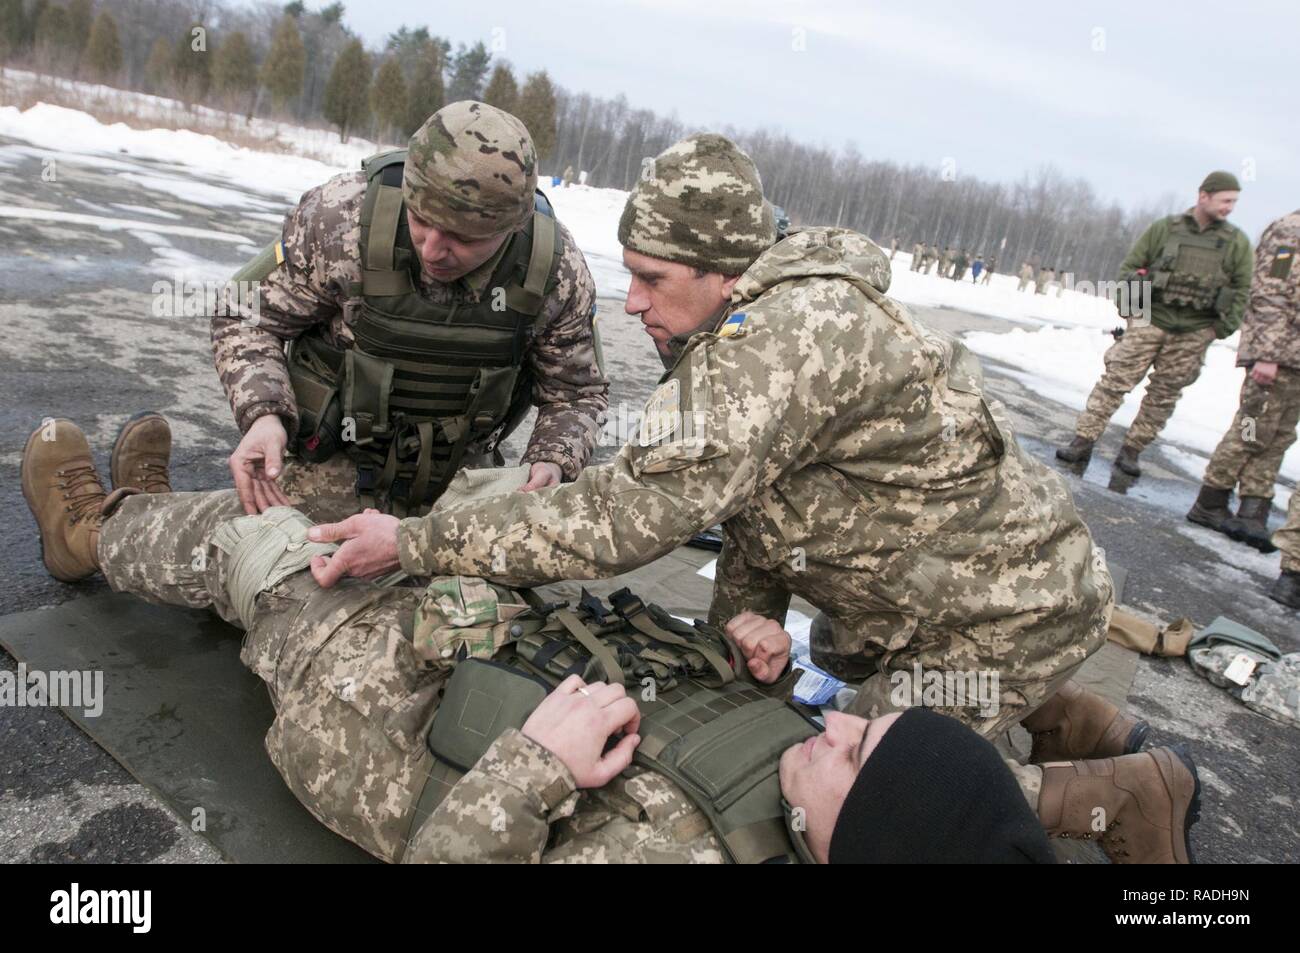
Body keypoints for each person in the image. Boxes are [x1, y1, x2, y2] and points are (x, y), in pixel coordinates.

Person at [280, 133, 1198, 862]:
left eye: (651, 279)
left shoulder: (770, 347)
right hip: (961, 589)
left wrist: (416, 544)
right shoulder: (761, 318)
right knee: (822, 717)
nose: (630, 302)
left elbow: (617, 519)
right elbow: (759, 503)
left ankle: (1125, 794)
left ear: (722, 272)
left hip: (1000, 608)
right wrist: (734, 639)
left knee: (872, 787)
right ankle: (1074, 718)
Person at [19, 418, 1201, 864]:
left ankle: (94, 529)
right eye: (849, 722)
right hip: (534, 643)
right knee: (446, 516)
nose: (833, 724)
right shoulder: (834, 807)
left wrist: (533, 768)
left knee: (271, 555)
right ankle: (154, 515)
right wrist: (764, 676)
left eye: (847, 752)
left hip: (379, 705)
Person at [214, 101, 608, 523]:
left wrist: (552, 462)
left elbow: (576, 392)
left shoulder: (551, 268)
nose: (433, 250)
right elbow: (245, 315)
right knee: (237, 549)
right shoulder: (342, 219)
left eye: (462, 237)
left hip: (461, 482)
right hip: (333, 461)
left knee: (480, 586)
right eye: (420, 219)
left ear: (512, 227)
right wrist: (265, 415)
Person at [1057, 172, 1253, 476]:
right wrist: (1134, 315)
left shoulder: (1236, 242)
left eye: (1234, 202)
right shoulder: (1165, 229)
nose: (1230, 207)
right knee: (1114, 382)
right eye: (1226, 200)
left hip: (1194, 331)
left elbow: (1242, 289)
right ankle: (1082, 441)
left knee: (1164, 395)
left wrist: (1218, 330)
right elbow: (1132, 267)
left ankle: (1132, 451)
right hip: (1150, 319)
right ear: (1204, 196)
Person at [1187, 210, 1300, 552]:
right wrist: (1267, 353)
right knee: (1251, 428)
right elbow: (1270, 291)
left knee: (1278, 436)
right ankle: (1211, 500)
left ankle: (1253, 508)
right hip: (1276, 354)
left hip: (1295, 357)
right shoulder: (1289, 233)